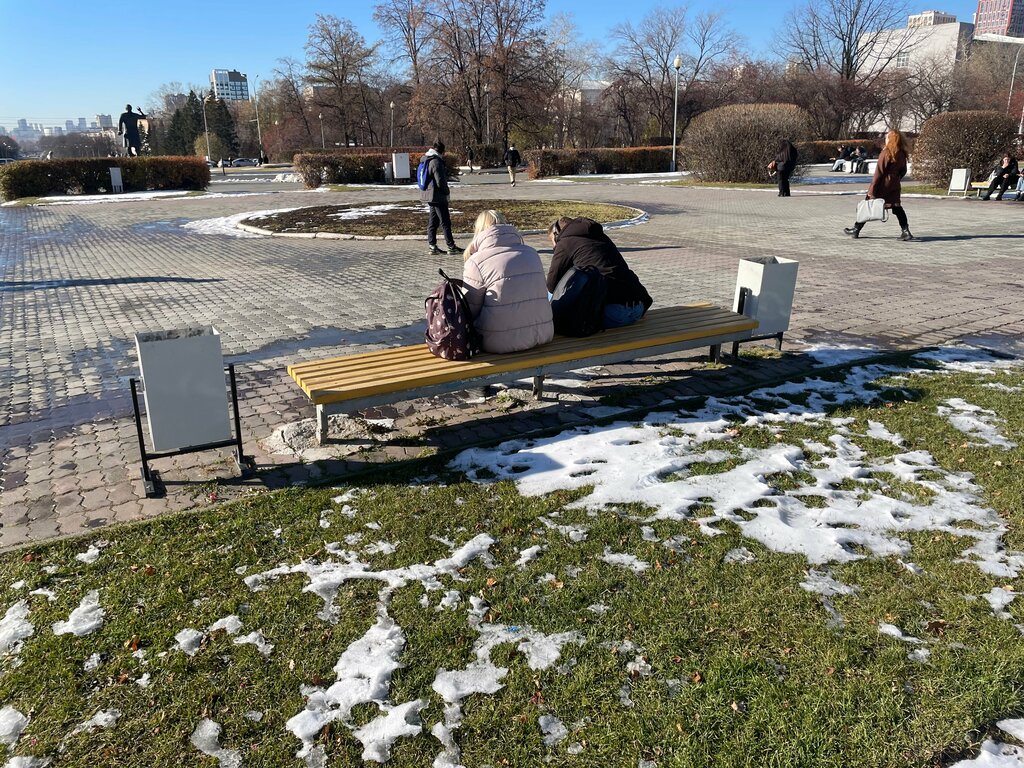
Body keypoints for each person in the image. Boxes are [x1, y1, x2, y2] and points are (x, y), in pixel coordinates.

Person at [461, 210, 553, 353]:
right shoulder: (531, 253)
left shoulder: (477, 262)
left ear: (478, 230)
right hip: (542, 333)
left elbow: (469, 309)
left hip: (499, 341)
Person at [547, 217, 653, 328]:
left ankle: (542, 322)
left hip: (615, 314)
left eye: (552, 242)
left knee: (551, 299)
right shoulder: (600, 236)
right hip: (638, 307)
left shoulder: (565, 242)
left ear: (556, 235)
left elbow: (551, 285)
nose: (554, 246)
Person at [844, 128, 913, 241]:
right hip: (894, 184)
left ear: (890, 139)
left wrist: (872, 190)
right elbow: (903, 170)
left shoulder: (886, 153)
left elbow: (879, 173)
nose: (885, 139)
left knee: (868, 204)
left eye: (887, 137)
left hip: (883, 184)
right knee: (897, 207)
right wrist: (896, 179)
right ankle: (905, 231)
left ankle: (856, 229)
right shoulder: (902, 153)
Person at [421, 139, 460, 255]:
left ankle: (432, 246)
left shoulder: (426, 159)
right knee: (445, 222)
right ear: (441, 151)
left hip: (429, 195)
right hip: (438, 196)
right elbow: (440, 181)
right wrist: (447, 192)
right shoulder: (436, 162)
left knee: (433, 221)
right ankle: (451, 246)